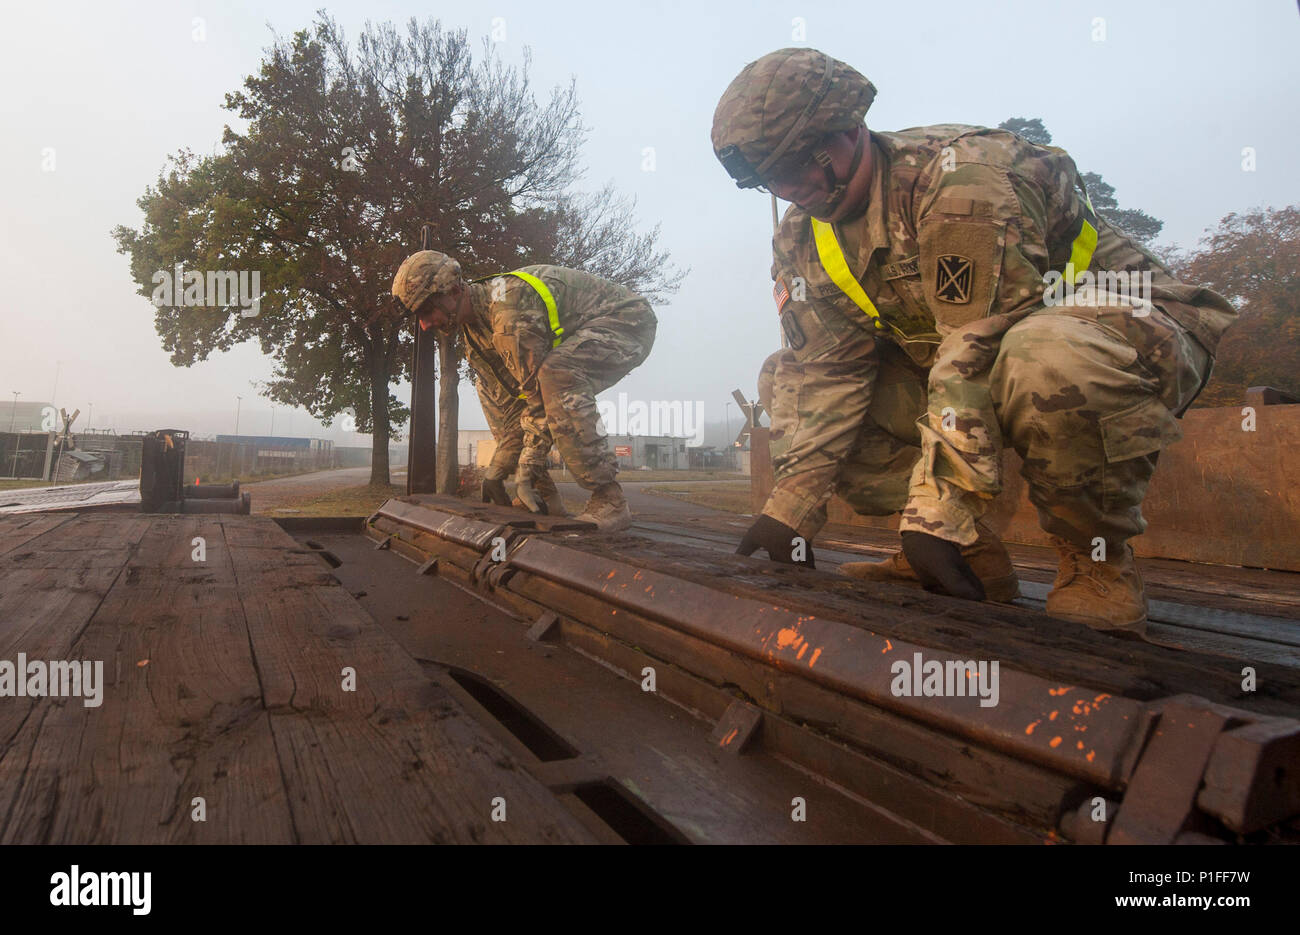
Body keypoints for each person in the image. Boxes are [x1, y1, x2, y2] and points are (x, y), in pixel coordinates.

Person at [712, 48, 1236, 636]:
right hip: (979, 360)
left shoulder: (963, 179)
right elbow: (828, 374)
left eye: (796, 165)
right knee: (787, 376)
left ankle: (1098, 565)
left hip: (1127, 337)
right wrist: (790, 509)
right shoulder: (804, 238)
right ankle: (973, 560)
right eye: (767, 181)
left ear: (849, 129)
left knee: (1042, 357)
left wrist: (936, 513)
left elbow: (973, 349)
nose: (790, 190)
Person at [391, 251, 657, 531]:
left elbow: (538, 401)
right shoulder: (477, 338)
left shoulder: (509, 313)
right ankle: (542, 496)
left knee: (557, 374)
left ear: (454, 291)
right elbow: (516, 408)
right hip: (581, 338)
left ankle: (609, 499)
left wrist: (526, 466)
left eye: (426, 310)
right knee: (489, 390)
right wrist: (500, 468)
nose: (424, 324)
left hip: (628, 322)